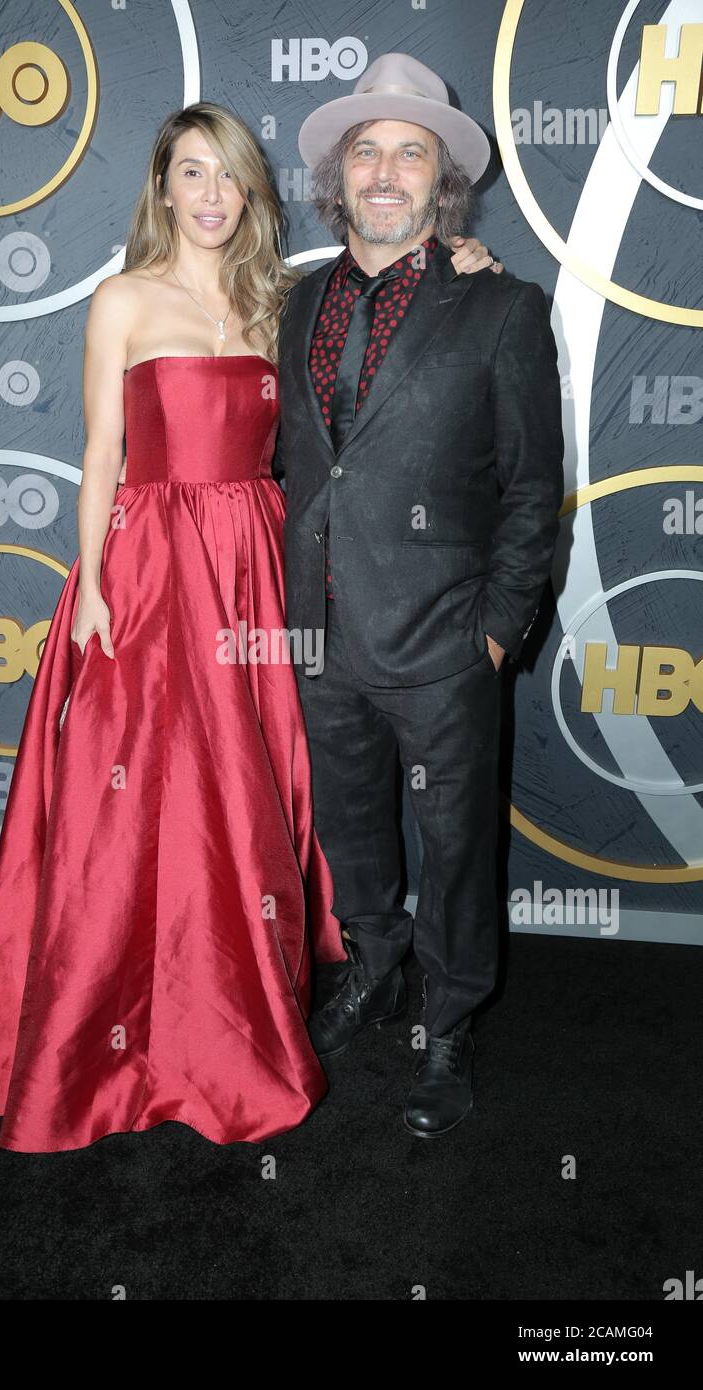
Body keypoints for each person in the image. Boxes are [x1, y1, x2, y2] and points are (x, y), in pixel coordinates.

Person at [0, 100, 498, 1152]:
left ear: (249, 193)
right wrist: (97, 582)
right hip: (153, 570)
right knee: (137, 803)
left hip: (258, 564)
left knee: (243, 789)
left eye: (227, 176)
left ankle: (236, 1003)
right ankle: (120, 1031)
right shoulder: (121, 298)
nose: (209, 194)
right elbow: (101, 455)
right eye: (189, 173)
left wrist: (457, 258)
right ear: (162, 188)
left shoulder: (280, 303)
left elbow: (374, 349)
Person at [274, 54, 565, 1138]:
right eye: (365, 151)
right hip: (319, 632)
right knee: (352, 831)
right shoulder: (296, 298)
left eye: (409, 152)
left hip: (444, 642)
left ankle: (447, 1025)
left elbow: (533, 488)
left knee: (453, 849)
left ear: (441, 182)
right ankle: (372, 965)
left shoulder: (499, 307)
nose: (384, 171)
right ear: (337, 177)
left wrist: (495, 633)